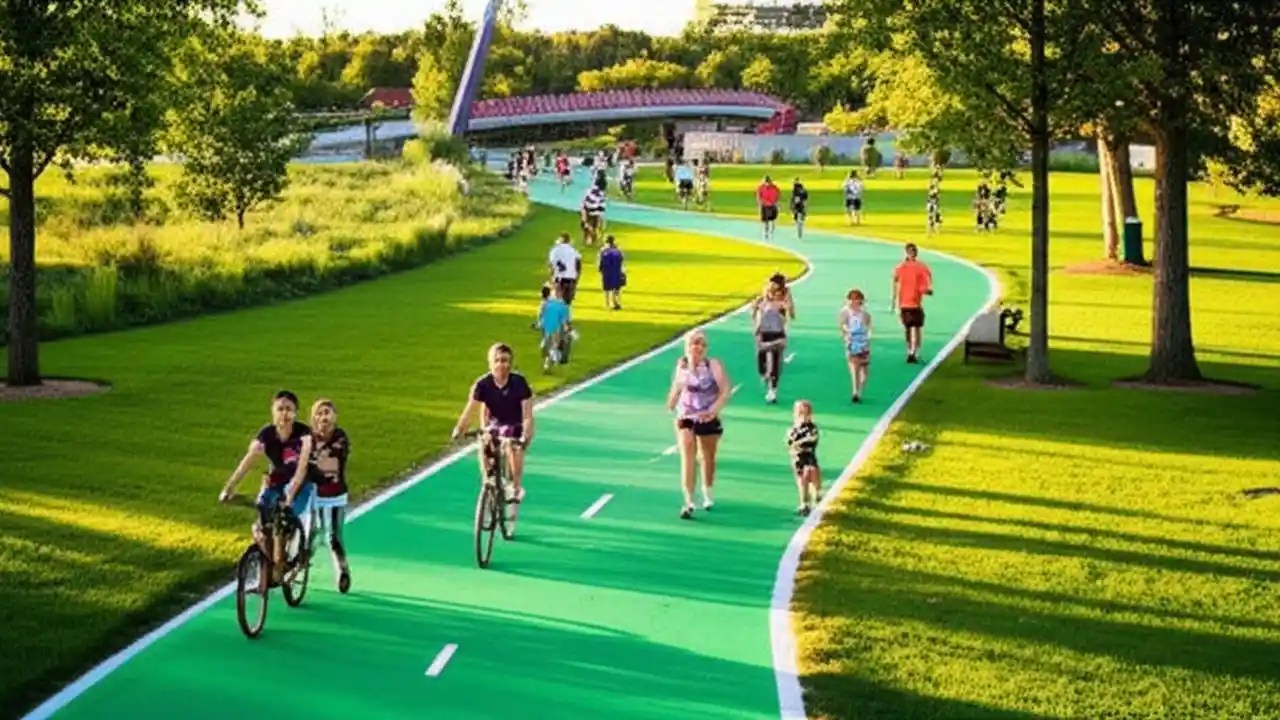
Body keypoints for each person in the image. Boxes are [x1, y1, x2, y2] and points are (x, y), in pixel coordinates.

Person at [219, 390, 317, 555]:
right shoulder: (267, 434)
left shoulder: (304, 434)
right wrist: (229, 487)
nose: (284, 414)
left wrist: (292, 491)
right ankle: (265, 558)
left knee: (287, 519)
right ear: (273, 411)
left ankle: (291, 550)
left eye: (289, 409)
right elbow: (248, 460)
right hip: (277, 481)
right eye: (280, 409)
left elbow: (302, 466)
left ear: (295, 413)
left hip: (301, 484)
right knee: (262, 518)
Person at [451, 343, 535, 503]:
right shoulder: (482, 384)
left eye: (505, 360)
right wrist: (459, 429)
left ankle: (516, 487)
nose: (501, 365)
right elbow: (470, 410)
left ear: (510, 363)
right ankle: (488, 478)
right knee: (484, 440)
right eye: (497, 360)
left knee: (512, 445)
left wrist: (526, 435)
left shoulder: (519, 383)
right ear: (490, 363)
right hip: (495, 425)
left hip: (515, 425)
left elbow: (527, 414)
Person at [665, 329, 731, 519]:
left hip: (707, 415)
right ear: (687, 346)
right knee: (687, 454)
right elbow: (671, 399)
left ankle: (707, 491)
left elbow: (725, 390)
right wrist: (676, 390)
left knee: (707, 456)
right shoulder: (682, 367)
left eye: (702, 344)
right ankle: (688, 501)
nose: (699, 347)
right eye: (695, 343)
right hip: (686, 415)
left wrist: (713, 411)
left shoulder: (713, 365)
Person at [309, 398, 352, 594]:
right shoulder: (307, 438)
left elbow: (333, 459)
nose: (323, 417)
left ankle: (342, 571)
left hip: (335, 495)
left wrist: (313, 457)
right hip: (312, 495)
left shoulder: (340, 437)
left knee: (333, 536)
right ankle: (296, 567)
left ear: (335, 417)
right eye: (319, 413)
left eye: (327, 412)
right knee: (310, 535)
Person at [752, 274, 794, 404]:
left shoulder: (783, 302)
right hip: (763, 334)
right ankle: (765, 376)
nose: (775, 293)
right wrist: (754, 311)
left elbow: (791, 315)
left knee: (775, 364)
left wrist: (788, 307)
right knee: (761, 362)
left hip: (777, 334)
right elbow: (755, 316)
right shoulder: (762, 302)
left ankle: (773, 390)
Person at [891, 243, 933, 364]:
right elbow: (927, 284)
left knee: (909, 328)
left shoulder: (900, 267)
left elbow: (895, 282)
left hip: (904, 303)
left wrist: (894, 301)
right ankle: (915, 351)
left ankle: (911, 350)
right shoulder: (921, 267)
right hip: (914, 303)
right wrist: (927, 291)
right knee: (916, 327)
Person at [785, 400, 822, 516]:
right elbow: (789, 442)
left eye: (806, 414)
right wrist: (792, 445)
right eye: (800, 413)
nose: (803, 416)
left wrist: (800, 441)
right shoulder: (793, 429)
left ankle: (817, 492)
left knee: (813, 473)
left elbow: (813, 438)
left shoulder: (812, 427)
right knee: (802, 479)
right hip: (798, 456)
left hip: (809, 455)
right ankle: (804, 503)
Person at [838, 289, 873, 403]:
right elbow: (842, 325)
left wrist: (868, 339)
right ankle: (855, 392)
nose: (853, 301)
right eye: (851, 299)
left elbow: (869, 328)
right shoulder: (845, 312)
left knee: (865, 372)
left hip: (863, 343)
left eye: (856, 299)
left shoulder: (865, 314)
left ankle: (860, 389)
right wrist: (847, 334)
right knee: (854, 368)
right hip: (852, 342)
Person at [538, 283, 573, 371]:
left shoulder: (562, 305)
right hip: (549, 327)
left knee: (553, 345)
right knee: (549, 345)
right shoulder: (548, 303)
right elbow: (541, 315)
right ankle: (552, 359)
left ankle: (549, 362)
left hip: (556, 328)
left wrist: (566, 327)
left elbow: (565, 319)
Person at [547, 232, 581, 306]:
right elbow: (578, 267)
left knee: (557, 301)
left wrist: (551, 278)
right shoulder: (574, 251)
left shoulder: (554, 250)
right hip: (570, 279)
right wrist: (576, 281)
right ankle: (565, 316)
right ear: (569, 240)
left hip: (558, 278)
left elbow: (550, 265)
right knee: (566, 303)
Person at [598, 234, 625, 310]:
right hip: (616, 271)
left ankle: (607, 304)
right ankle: (614, 302)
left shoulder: (603, 250)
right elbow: (621, 260)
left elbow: (600, 262)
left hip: (606, 271)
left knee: (606, 289)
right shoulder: (618, 250)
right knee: (615, 288)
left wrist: (600, 269)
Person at [757, 175, 781, 241]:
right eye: (765, 182)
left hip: (772, 206)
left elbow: (778, 196)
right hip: (764, 206)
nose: (767, 183)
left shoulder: (775, 188)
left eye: (768, 182)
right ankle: (766, 233)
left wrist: (777, 204)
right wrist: (760, 205)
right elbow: (759, 197)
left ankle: (772, 232)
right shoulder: (761, 188)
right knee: (765, 221)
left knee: (773, 220)